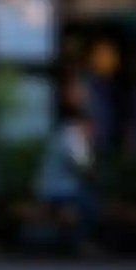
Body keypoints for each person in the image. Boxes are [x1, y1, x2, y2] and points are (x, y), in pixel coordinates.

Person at [36, 108, 99, 254]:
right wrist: (95, 174)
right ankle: (79, 244)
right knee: (91, 207)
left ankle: (73, 242)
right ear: (85, 124)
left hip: (51, 187)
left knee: (86, 201)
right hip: (60, 189)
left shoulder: (62, 133)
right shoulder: (73, 135)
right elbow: (81, 164)